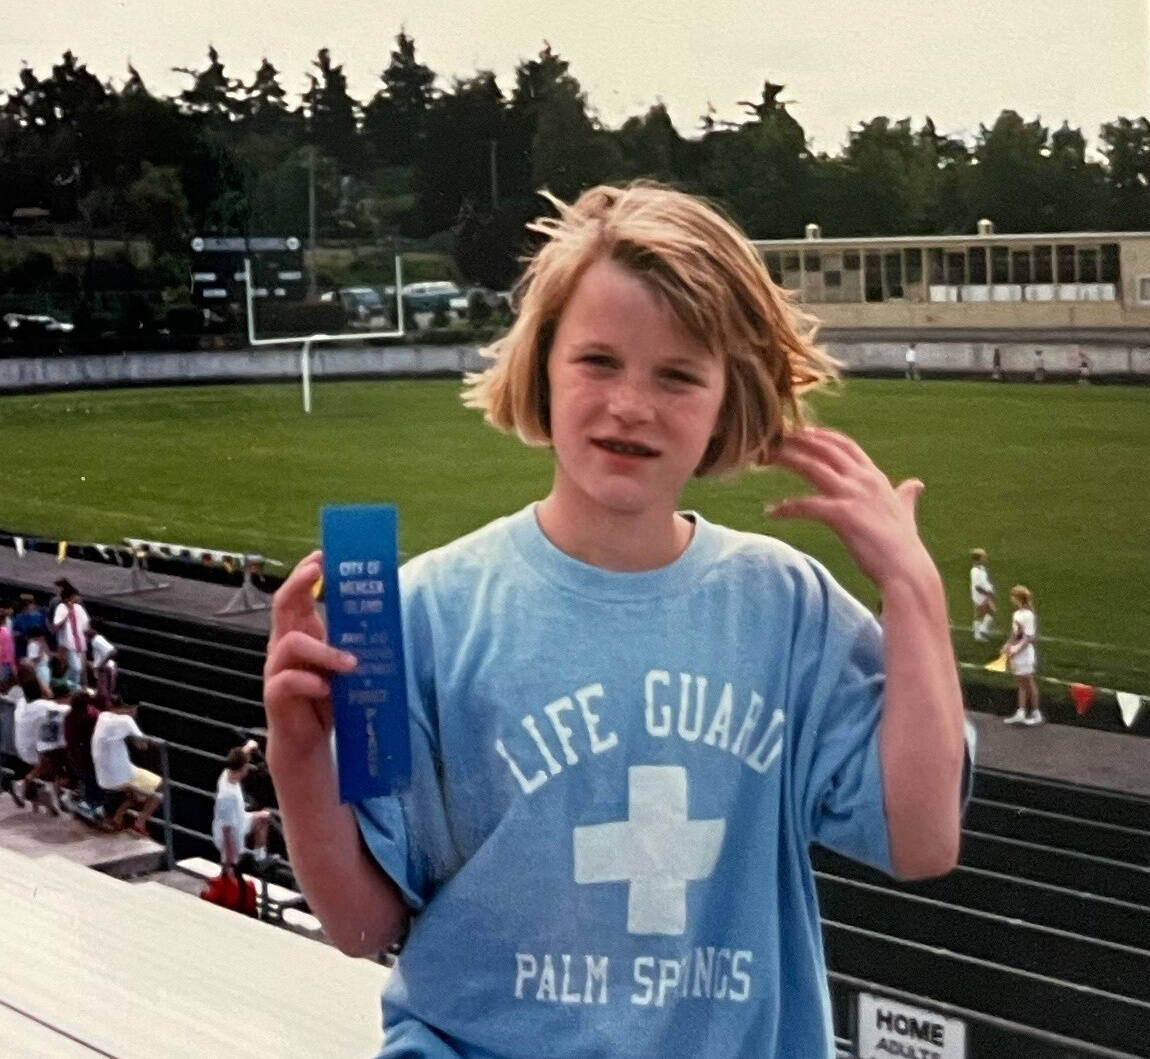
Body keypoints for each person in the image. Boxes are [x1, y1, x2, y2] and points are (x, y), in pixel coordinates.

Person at [264, 182, 971, 1059]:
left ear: (728, 397)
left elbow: (923, 838)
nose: (632, 404)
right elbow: (363, 925)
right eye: (598, 361)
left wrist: (913, 587)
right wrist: (299, 755)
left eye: (678, 375)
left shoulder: (788, 608)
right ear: (543, 364)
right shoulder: (431, 612)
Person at [91, 696, 163, 834]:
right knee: (161, 786)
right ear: (131, 708)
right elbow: (142, 746)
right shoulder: (127, 720)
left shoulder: (103, 716)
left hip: (101, 774)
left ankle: (118, 817)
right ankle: (140, 823)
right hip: (119, 776)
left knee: (139, 791)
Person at [212, 740, 271, 873]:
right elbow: (227, 830)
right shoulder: (228, 796)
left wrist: (249, 746)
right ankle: (228, 876)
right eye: (247, 765)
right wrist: (229, 856)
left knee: (264, 817)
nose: (248, 767)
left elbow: (238, 757)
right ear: (242, 768)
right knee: (233, 867)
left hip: (240, 819)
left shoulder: (227, 772)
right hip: (231, 833)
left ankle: (259, 859)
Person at [1002, 585, 1042, 726]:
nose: (1011, 599)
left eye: (1013, 596)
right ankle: (1021, 712)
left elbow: (1029, 637)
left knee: (1029, 683)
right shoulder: (1017, 614)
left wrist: (1015, 649)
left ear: (1018, 598)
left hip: (1025, 655)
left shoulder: (1028, 615)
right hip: (1017, 653)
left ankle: (1036, 713)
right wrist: (1008, 645)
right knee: (1020, 684)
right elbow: (1016, 633)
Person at [52, 584, 90, 688]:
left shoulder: (79, 608)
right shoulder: (61, 608)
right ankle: (74, 687)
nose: (77, 598)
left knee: (78, 668)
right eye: (75, 596)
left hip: (79, 642)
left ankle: (66, 684)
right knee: (76, 668)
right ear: (70, 596)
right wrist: (68, 613)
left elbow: (86, 624)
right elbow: (56, 626)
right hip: (68, 643)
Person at [87, 619, 118, 698]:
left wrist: (101, 665)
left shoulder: (97, 639)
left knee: (103, 697)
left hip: (105, 671)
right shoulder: (95, 640)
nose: (87, 629)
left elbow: (113, 651)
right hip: (103, 670)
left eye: (89, 627)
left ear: (94, 629)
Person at [969, 548, 996, 642]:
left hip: (985, 594)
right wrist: (988, 594)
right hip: (980, 595)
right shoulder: (975, 571)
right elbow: (978, 587)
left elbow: (984, 582)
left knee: (990, 611)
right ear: (978, 559)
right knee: (979, 614)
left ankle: (982, 629)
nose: (985, 559)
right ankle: (978, 634)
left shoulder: (982, 568)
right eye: (983, 557)